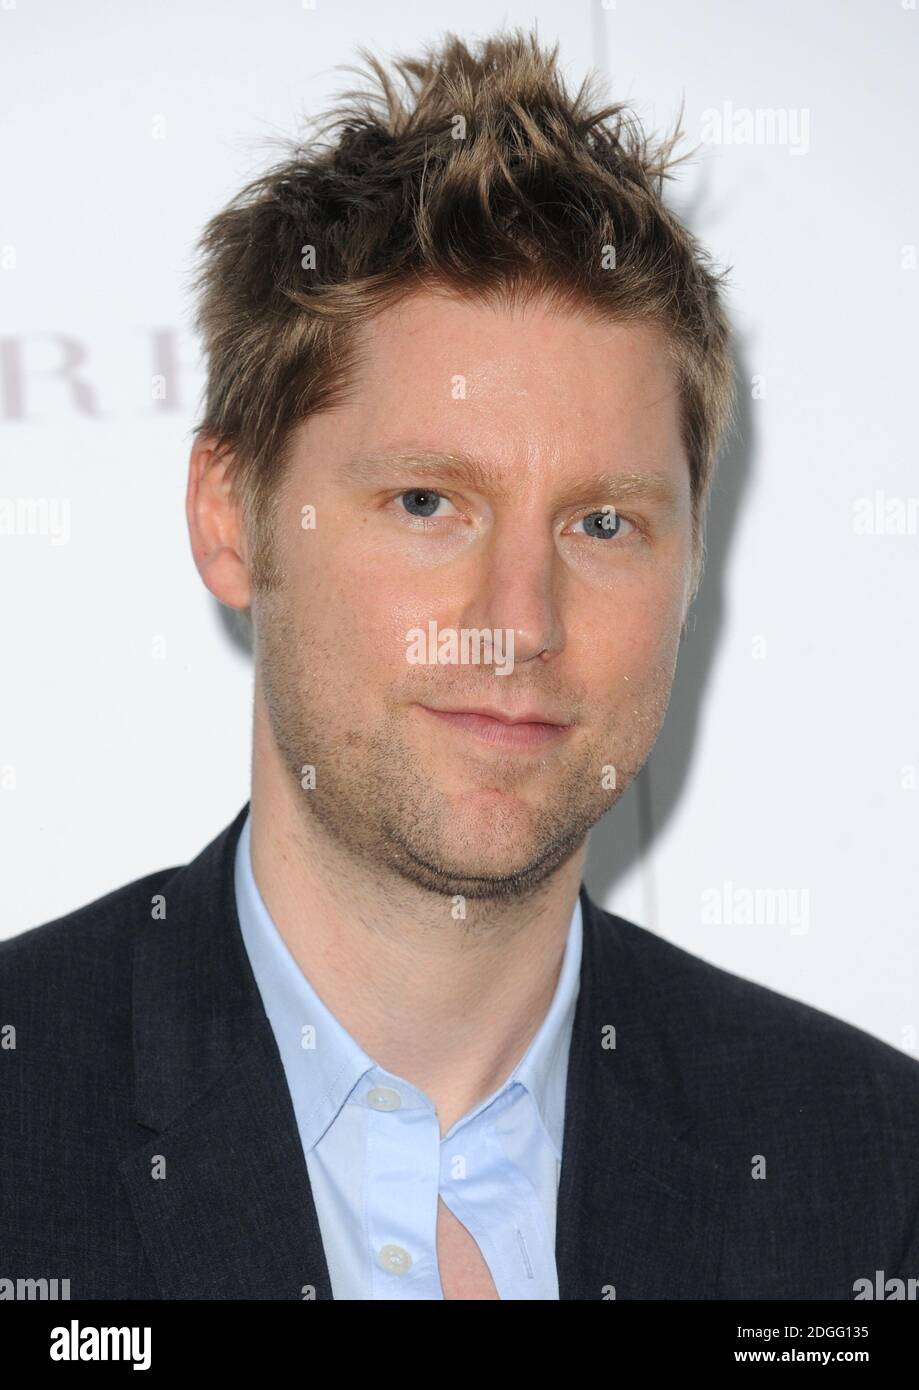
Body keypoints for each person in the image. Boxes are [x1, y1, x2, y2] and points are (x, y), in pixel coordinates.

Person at [2, 27, 917, 1302]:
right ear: (230, 516)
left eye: (604, 523)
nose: (518, 622)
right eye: (429, 501)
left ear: (693, 560)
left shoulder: (873, 1182)